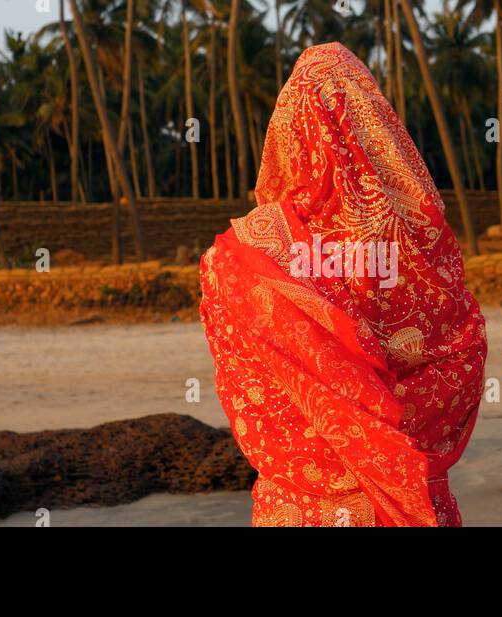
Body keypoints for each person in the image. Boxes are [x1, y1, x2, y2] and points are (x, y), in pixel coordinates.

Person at [199, 42, 487, 526]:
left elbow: (253, 391)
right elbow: (463, 354)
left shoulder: (246, 257)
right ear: (377, 125)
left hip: (300, 511)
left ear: (288, 129)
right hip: (414, 504)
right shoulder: (423, 247)